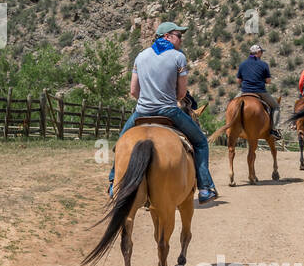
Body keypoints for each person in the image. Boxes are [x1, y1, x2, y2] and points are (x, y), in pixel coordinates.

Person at [108, 21, 218, 204]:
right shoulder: (178, 57)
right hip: (169, 112)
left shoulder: (140, 56)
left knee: (120, 143)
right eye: (179, 36)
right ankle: (205, 188)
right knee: (200, 142)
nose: (181, 40)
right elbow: (181, 94)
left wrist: (148, 100)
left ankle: (113, 183)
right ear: (167, 36)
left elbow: (133, 91)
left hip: (141, 112)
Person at [237, 44, 279, 136]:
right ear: (258, 52)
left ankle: (228, 126)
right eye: (261, 52)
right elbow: (268, 81)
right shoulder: (264, 64)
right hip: (260, 91)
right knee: (276, 107)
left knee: (231, 105)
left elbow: (239, 81)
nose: (262, 54)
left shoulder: (242, 64)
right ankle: (273, 129)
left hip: (245, 91)